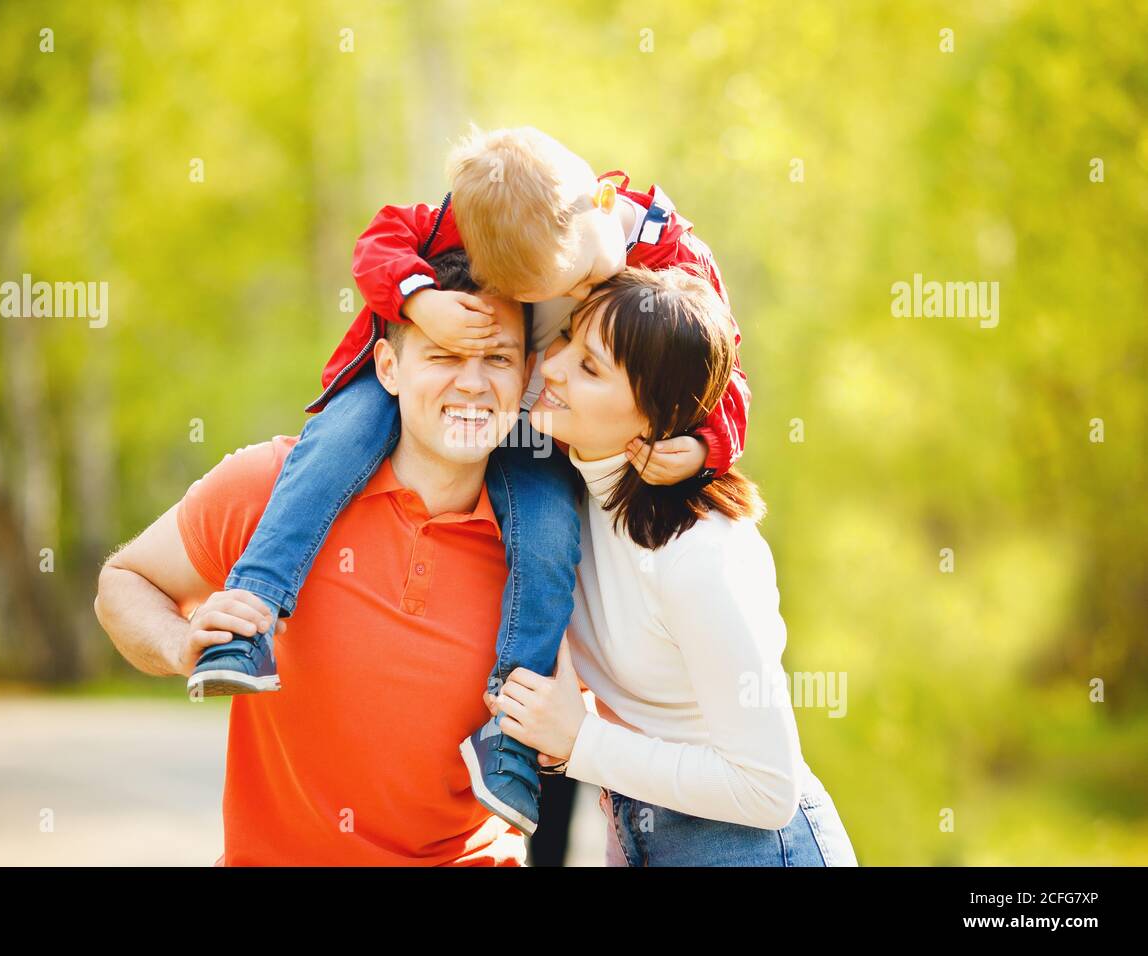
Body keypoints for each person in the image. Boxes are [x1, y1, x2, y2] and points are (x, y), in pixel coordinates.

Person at [193, 126, 753, 837]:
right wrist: (418, 298)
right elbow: (380, 241)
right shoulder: (484, 214)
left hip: (527, 417)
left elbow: (722, 370)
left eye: (577, 287)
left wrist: (705, 447)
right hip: (424, 373)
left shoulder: (676, 258)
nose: (574, 296)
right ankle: (250, 612)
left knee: (549, 539)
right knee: (331, 446)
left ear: (598, 205)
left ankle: (511, 738)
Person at [94, 252, 538, 865]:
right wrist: (179, 643)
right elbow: (124, 580)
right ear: (388, 367)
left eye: (497, 358)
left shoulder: (553, 554)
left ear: (528, 374)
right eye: (442, 355)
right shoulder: (272, 491)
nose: (472, 382)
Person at [487, 267, 859, 866]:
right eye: (566, 340)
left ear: (656, 420)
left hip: (755, 851)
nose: (551, 367)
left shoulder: (701, 553)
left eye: (590, 367)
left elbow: (769, 788)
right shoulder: (572, 498)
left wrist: (580, 741)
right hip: (641, 839)